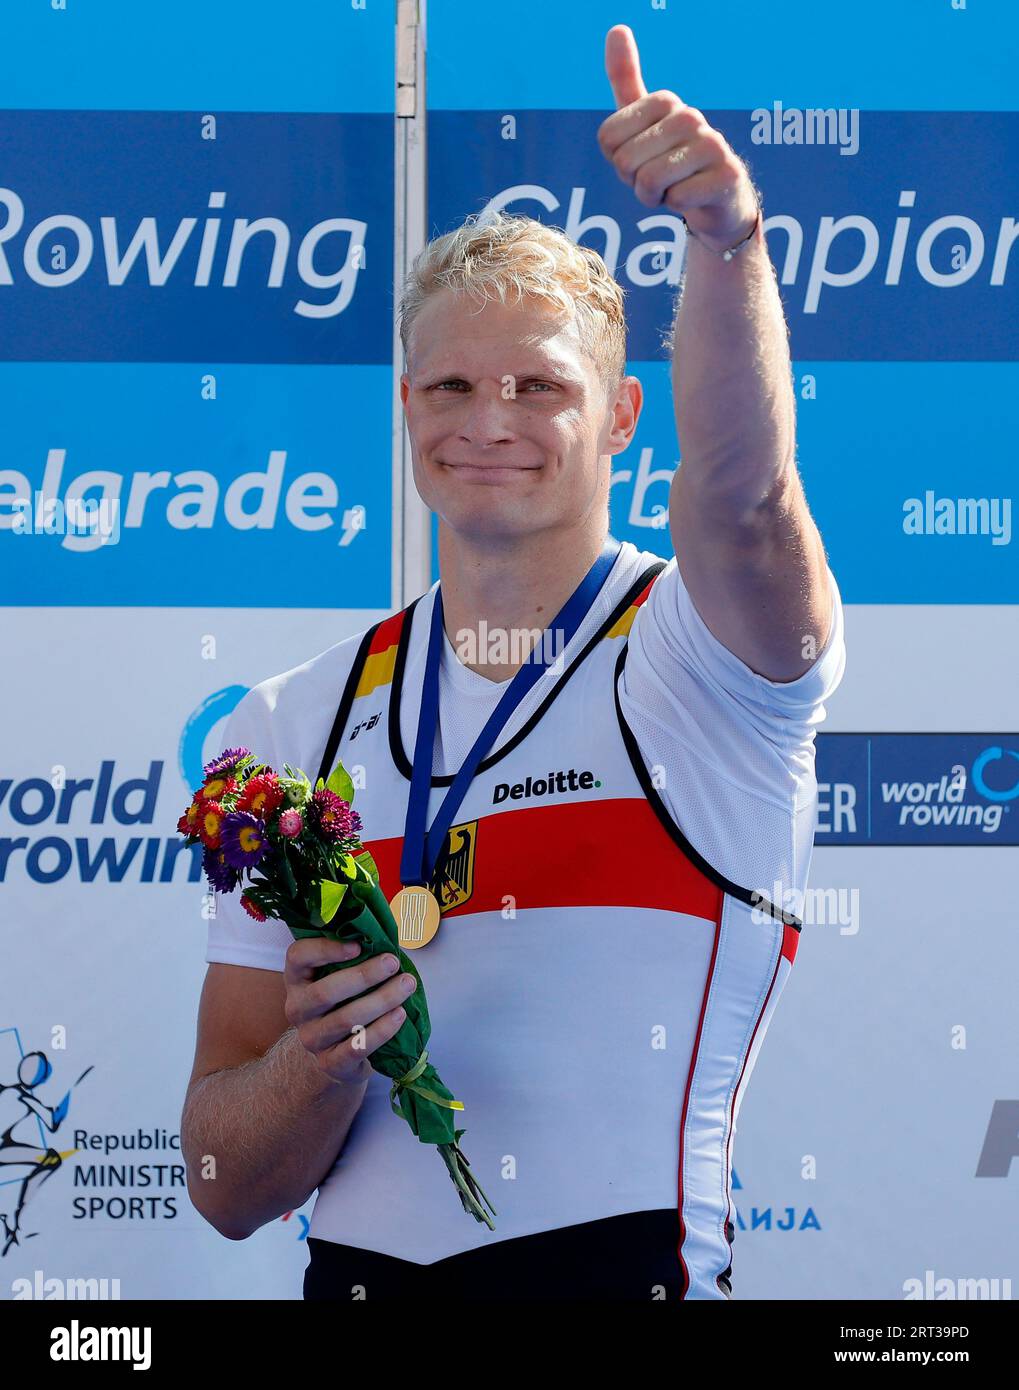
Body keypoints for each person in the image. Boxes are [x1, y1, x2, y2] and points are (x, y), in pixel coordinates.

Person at [181, 26, 845, 1300]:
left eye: (539, 389)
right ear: (405, 403)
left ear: (618, 415)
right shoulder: (286, 723)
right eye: (448, 387)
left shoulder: (700, 659)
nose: (488, 422)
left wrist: (724, 241)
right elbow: (221, 1188)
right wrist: (310, 1065)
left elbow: (748, 497)